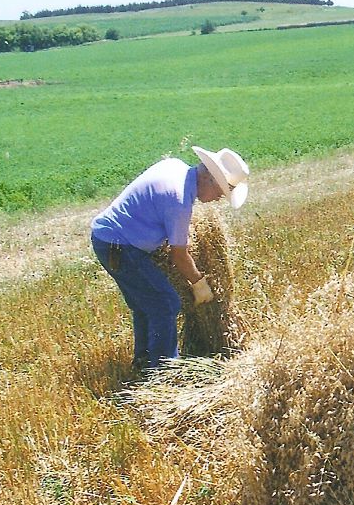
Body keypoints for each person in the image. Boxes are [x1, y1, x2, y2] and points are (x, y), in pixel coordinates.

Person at [90, 146, 249, 369]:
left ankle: (144, 363)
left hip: (108, 238)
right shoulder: (179, 200)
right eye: (221, 192)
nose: (219, 198)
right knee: (166, 304)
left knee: (146, 304)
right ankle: (164, 373)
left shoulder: (175, 166)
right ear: (209, 179)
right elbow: (179, 256)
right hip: (120, 246)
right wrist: (199, 283)